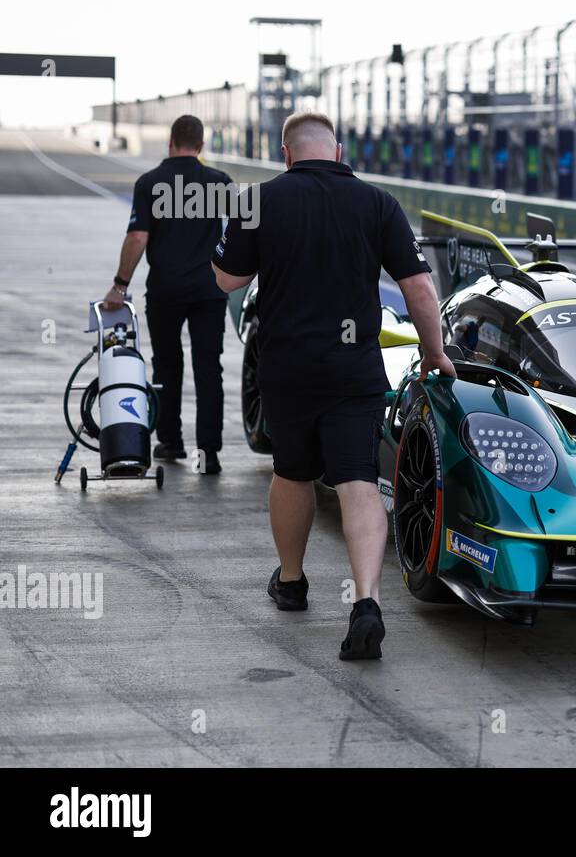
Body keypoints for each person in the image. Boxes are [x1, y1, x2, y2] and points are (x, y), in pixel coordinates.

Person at [211, 111, 456, 661]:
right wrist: (435, 352)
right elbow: (418, 286)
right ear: (339, 151)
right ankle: (366, 601)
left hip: (287, 366)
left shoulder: (260, 200)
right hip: (354, 368)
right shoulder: (377, 203)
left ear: (287, 154)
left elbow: (227, 279)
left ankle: (293, 583)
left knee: (292, 473)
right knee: (357, 481)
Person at [103, 114, 231, 473]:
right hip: (209, 289)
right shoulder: (220, 182)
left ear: (170, 141)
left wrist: (120, 284)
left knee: (167, 364)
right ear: (201, 146)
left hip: (165, 289)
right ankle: (208, 454)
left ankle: (170, 442)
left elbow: (137, 237)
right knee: (209, 368)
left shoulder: (150, 182)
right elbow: (242, 233)